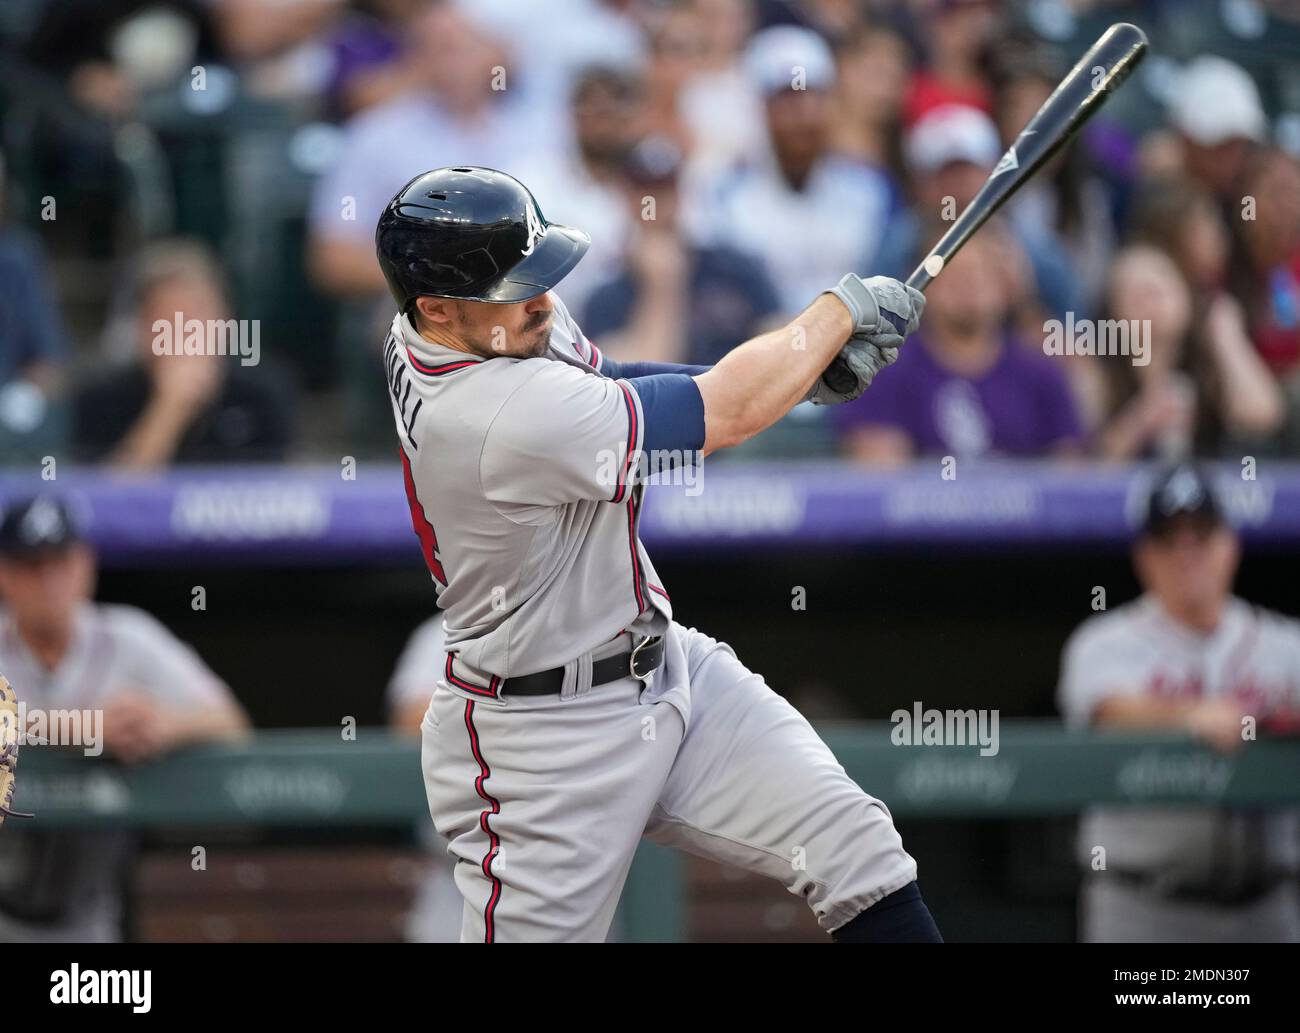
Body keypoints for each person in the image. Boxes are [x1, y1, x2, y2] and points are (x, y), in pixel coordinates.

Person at [374, 165, 939, 943]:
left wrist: (797, 377)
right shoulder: (489, 415)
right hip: (543, 741)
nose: (541, 301)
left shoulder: (478, 324)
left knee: (858, 850)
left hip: (665, 666)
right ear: (435, 307)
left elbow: (618, 389)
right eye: (513, 289)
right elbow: (723, 414)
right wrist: (835, 313)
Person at [1057, 464, 1300, 942]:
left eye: (1202, 537)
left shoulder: (1285, 644)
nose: (1187, 555)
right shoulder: (1104, 642)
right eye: (1170, 541)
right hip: (1143, 906)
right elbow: (1104, 708)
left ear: (1231, 545)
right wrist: (1190, 716)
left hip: (1266, 906)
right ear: (1145, 556)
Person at [0, 494, 249, 942]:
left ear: (85, 565)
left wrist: (166, 725)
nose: (49, 580)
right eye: (31, 565)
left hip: (92, 920)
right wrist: (86, 729)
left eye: (60, 562)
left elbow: (231, 723)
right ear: (5, 574)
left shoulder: (128, 637)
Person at [834, 231, 1082, 463]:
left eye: (982, 273)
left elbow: (1068, 481)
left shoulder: (1041, 374)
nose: (968, 286)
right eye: (952, 275)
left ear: (1007, 286)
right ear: (921, 288)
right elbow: (880, 481)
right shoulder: (887, 372)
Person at [72, 239, 295, 467]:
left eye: (197, 318)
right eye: (170, 323)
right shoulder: (101, 398)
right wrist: (168, 410)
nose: (189, 337)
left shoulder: (263, 393)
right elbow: (106, 497)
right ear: (143, 330)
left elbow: (279, 492)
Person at [580, 136, 782, 367]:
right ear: (625, 197)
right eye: (643, 191)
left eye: (663, 190)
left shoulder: (735, 268)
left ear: (680, 193)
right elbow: (634, 382)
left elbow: (779, 345)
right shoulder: (606, 296)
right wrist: (661, 289)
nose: (654, 203)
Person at [1092, 246, 1282, 461]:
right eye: (1137, 293)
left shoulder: (1208, 360)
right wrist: (1142, 419)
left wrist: (1228, 337)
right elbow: (1093, 464)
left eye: (1162, 282)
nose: (1153, 299)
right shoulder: (1102, 375)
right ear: (1112, 313)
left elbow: (1262, 417)